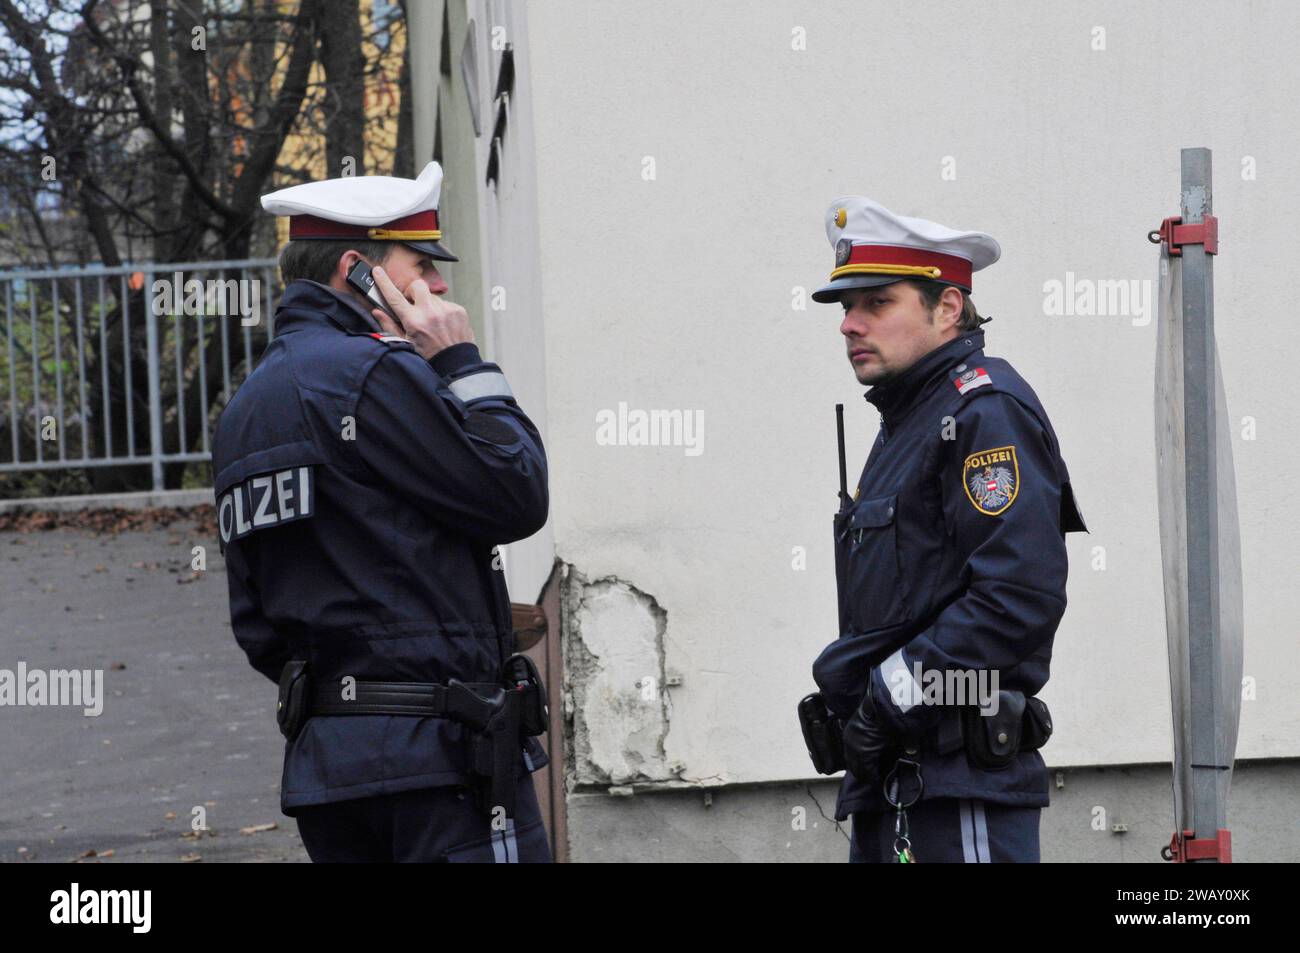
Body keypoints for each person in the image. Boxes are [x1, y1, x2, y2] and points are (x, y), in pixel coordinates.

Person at [212, 161, 552, 862]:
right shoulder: (375, 372)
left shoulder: (243, 413)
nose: (438, 287)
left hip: (330, 776)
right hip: (441, 768)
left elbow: (257, 628)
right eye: (421, 266)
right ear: (356, 271)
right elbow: (517, 491)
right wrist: (461, 361)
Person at [800, 196, 1087, 863]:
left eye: (876, 302)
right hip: (898, 784)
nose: (850, 324)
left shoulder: (983, 410)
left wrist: (890, 695)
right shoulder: (909, 420)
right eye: (845, 307)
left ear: (949, 308)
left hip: (959, 790)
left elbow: (1016, 597)